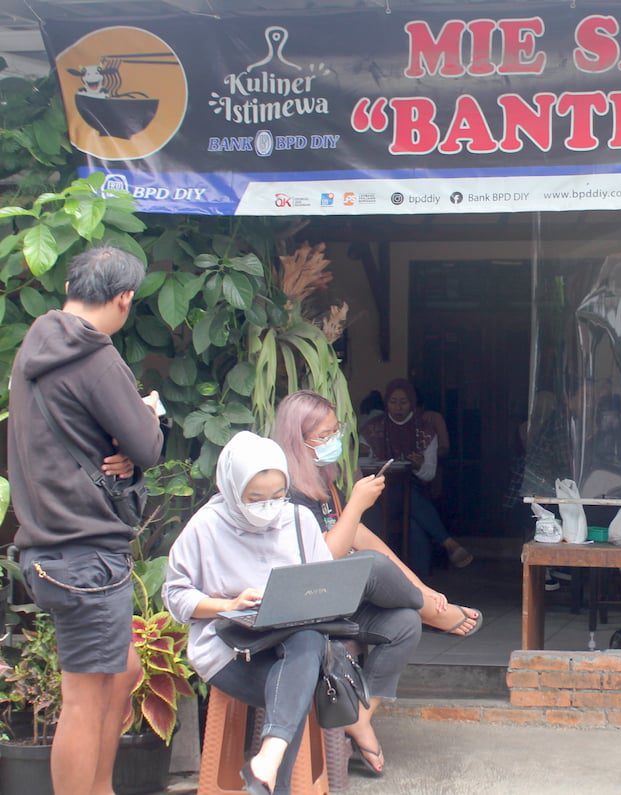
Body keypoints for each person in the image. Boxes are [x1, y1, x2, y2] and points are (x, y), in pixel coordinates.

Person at [164, 432, 422, 791]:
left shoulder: (298, 519)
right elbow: (175, 595)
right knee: (296, 687)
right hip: (231, 651)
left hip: (295, 646)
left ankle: (268, 762)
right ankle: (271, 763)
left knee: (305, 641)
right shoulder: (206, 527)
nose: (268, 506)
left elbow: (321, 582)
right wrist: (229, 605)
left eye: (276, 496)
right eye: (255, 498)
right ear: (232, 489)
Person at [8, 245, 164, 795]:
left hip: (50, 549)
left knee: (124, 671)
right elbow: (146, 445)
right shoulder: (94, 354)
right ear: (123, 299)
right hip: (85, 552)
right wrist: (146, 414)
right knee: (83, 697)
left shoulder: (37, 345)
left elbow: (67, 435)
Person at [275, 390, 482, 642]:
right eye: (323, 436)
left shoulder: (323, 480)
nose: (333, 441)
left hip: (334, 589)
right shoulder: (286, 490)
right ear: (297, 440)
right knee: (373, 563)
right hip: (308, 594)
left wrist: (422, 588)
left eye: (335, 432)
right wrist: (357, 505)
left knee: (404, 624)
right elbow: (323, 557)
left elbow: (360, 535)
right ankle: (431, 612)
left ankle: (422, 607)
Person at [361, 379, 472, 576]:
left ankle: (419, 587)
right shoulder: (373, 428)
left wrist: (419, 464)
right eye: (393, 402)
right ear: (386, 403)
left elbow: (429, 473)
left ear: (412, 402)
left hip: (417, 495)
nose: (398, 407)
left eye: (403, 402)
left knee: (415, 526)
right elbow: (361, 461)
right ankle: (447, 542)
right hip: (379, 499)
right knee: (400, 496)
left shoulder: (426, 430)